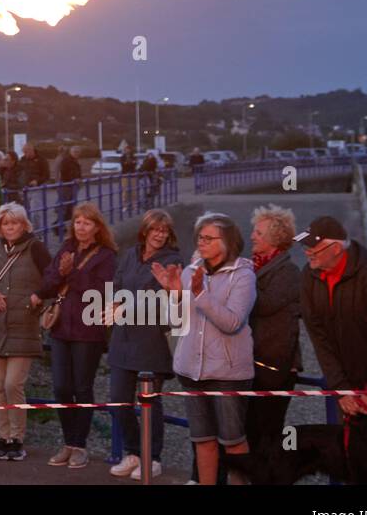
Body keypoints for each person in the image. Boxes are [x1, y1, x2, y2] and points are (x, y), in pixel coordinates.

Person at [154, 213, 256, 485]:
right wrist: (173, 294)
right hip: (192, 370)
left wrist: (200, 294)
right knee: (203, 441)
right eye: (200, 237)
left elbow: (232, 322)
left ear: (228, 242)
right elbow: (179, 321)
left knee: (233, 442)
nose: (202, 242)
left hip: (227, 373)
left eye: (209, 238)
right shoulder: (190, 271)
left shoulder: (244, 275)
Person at [298, 215, 367, 422]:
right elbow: (319, 338)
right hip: (347, 389)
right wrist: (341, 389)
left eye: (313, 247)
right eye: (306, 246)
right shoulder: (309, 277)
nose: (307, 252)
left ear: (336, 249)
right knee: (352, 451)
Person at [107, 209, 185, 479]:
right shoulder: (130, 254)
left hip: (152, 340)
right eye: (155, 229)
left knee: (149, 401)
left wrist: (125, 307)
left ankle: (152, 458)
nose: (160, 235)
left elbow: (160, 300)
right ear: (145, 230)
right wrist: (114, 302)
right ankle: (132, 452)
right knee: (118, 399)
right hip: (123, 338)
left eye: (164, 230)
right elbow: (117, 283)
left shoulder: (173, 261)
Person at [38, 202, 117, 469]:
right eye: (77, 221)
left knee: (82, 387)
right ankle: (68, 442)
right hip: (61, 328)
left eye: (86, 222)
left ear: (97, 227)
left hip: (88, 330)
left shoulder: (106, 255)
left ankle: (79, 445)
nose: (80, 226)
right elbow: (48, 281)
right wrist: (60, 273)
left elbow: (101, 290)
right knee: (61, 387)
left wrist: (70, 273)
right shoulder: (66, 248)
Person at [0, 202, 51, 462]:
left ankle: (17, 438)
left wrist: (38, 297)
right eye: (5, 223)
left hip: (23, 323)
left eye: (15, 223)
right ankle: (3, 437)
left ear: (24, 225)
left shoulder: (36, 248)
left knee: (13, 384)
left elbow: (52, 278)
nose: (10, 228)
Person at [246, 204, 303, 454]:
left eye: (258, 233)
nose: (252, 237)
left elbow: (265, 304)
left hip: (274, 367)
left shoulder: (289, 272)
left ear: (274, 238)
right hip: (252, 363)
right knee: (249, 431)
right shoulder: (255, 267)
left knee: (267, 433)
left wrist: (242, 280)